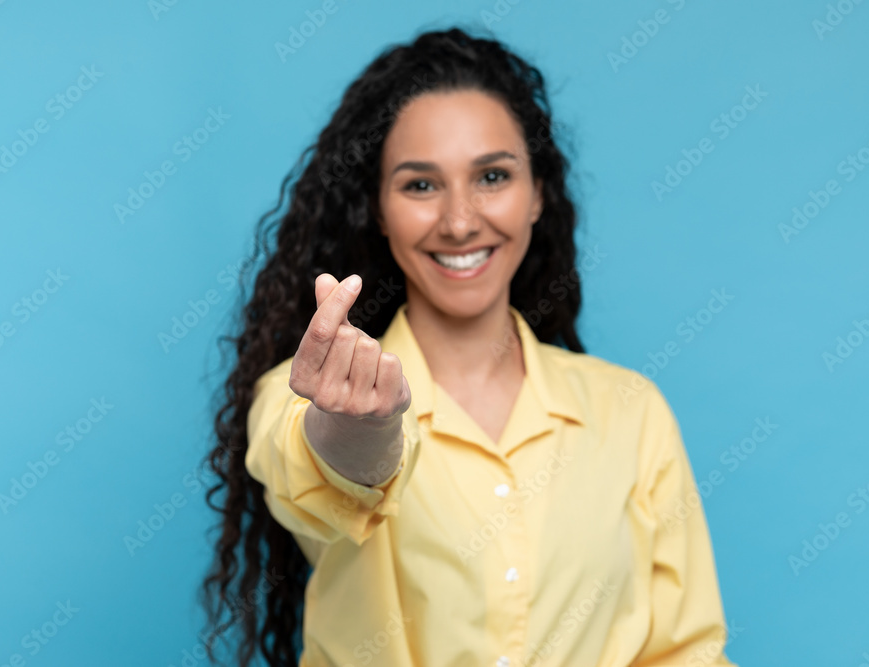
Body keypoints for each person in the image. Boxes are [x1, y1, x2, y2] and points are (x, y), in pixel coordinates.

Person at [201, 26, 738, 667]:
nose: (460, 221)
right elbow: (311, 470)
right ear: (377, 209)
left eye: (492, 176)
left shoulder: (631, 411)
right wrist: (359, 429)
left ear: (539, 194)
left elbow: (684, 652)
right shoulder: (305, 393)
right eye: (420, 185)